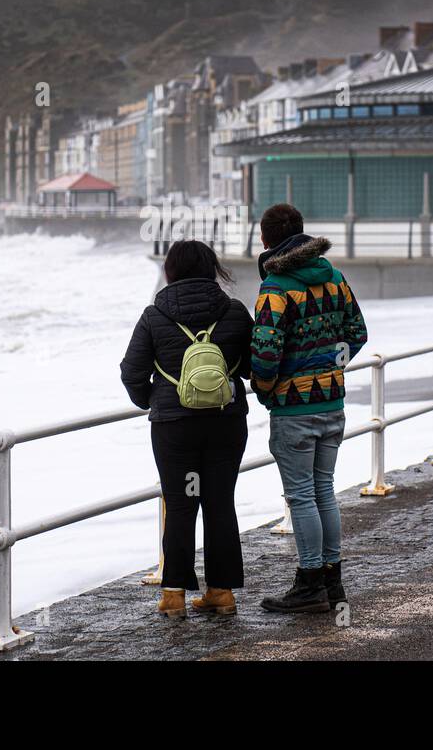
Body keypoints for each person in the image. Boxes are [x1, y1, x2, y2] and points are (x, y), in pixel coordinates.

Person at [119, 239, 253, 620]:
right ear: (212, 270)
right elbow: (252, 366)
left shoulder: (154, 314)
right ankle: (221, 592)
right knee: (219, 502)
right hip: (226, 423)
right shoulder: (234, 311)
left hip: (174, 428)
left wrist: (154, 401)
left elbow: (131, 372)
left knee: (180, 504)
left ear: (170, 271)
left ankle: (174, 595)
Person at [250, 203, 367, 614]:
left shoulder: (276, 287)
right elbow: (358, 332)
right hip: (333, 402)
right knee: (323, 490)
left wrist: (266, 390)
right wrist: (330, 366)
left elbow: (265, 352)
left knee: (300, 496)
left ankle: (310, 582)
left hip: (293, 409)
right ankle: (333, 583)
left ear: (266, 240)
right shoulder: (334, 277)